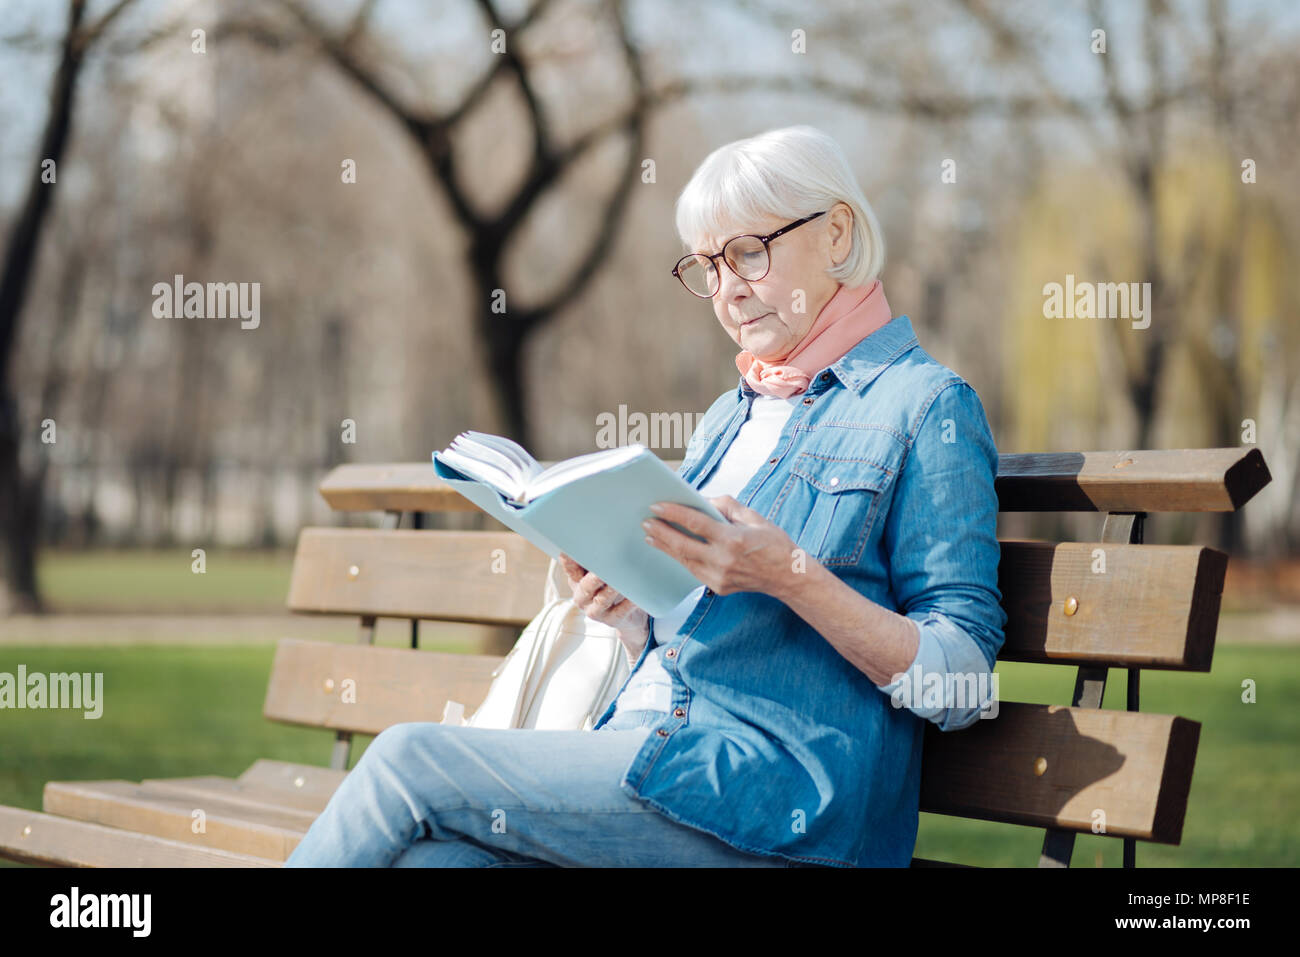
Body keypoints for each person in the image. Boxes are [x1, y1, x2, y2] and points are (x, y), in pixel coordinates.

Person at [283, 125, 1006, 868]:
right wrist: (631, 612)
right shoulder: (735, 413)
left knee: (409, 759)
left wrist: (788, 574)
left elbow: (963, 681)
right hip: (645, 754)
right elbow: (692, 633)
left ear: (835, 232)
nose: (727, 290)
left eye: (749, 253)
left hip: (771, 804)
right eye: (707, 266)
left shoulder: (926, 407)